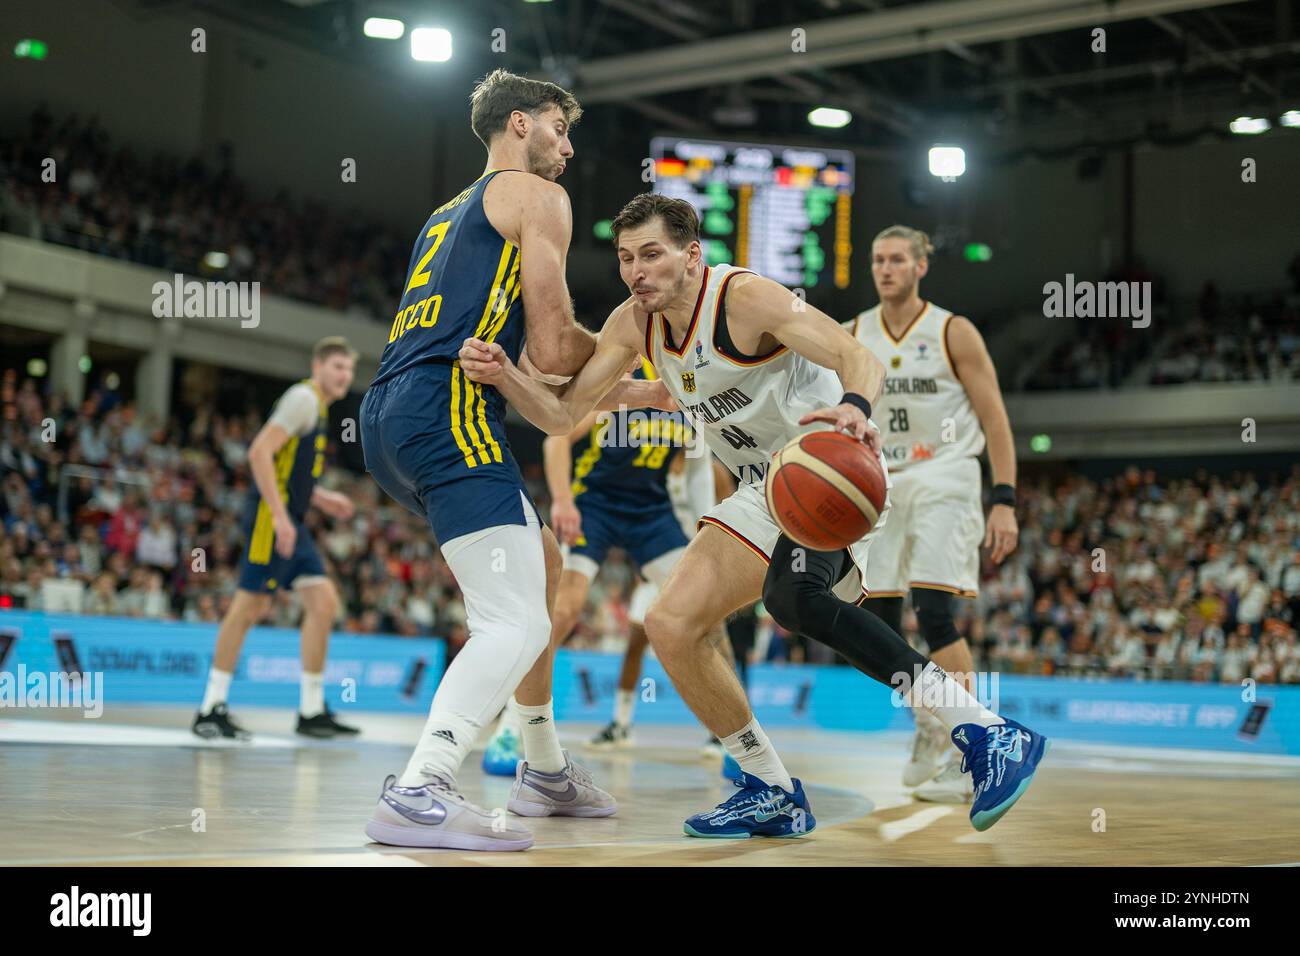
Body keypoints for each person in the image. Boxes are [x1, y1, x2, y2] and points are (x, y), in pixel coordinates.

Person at [458, 194, 1049, 838]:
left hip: (825, 470)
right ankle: (769, 787)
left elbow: (861, 358)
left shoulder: (746, 298)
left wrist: (854, 407)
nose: (637, 271)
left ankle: (987, 733)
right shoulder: (635, 323)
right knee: (671, 623)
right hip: (759, 488)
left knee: (794, 600)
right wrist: (508, 376)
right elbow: (566, 416)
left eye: (651, 254)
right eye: (627, 258)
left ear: (691, 254)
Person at [358, 70, 660, 851]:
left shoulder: (445, 210)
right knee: (515, 617)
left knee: (548, 566)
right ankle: (422, 786)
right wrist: (648, 356)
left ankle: (542, 766)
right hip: (446, 410)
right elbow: (557, 348)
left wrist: (627, 393)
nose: (569, 146)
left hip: (389, 415)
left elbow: (543, 368)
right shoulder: (537, 197)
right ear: (519, 124)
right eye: (560, 129)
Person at [849, 225, 1020, 803]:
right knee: (881, 621)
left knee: (936, 612)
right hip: (881, 481)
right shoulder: (855, 333)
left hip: (946, 474)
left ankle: (976, 749)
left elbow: (995, 418)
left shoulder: (953, 331)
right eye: (878, 260)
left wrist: (1005, 499)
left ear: (922, 266)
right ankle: (931, 722)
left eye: (898, 259)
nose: (886, 268)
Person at [193, 337, 360, 741]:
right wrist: (283, 519)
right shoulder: (303, 399)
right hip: (274, 520)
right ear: (317, 365)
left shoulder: (316, 408)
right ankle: (210, 708)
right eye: (337, 366)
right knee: (250, 607)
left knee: (323, 603)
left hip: (292, 520)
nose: (344, 375)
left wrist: (320, 498)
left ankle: (311, 709)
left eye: (349, 369)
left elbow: (287, 470)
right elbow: (258, 453)